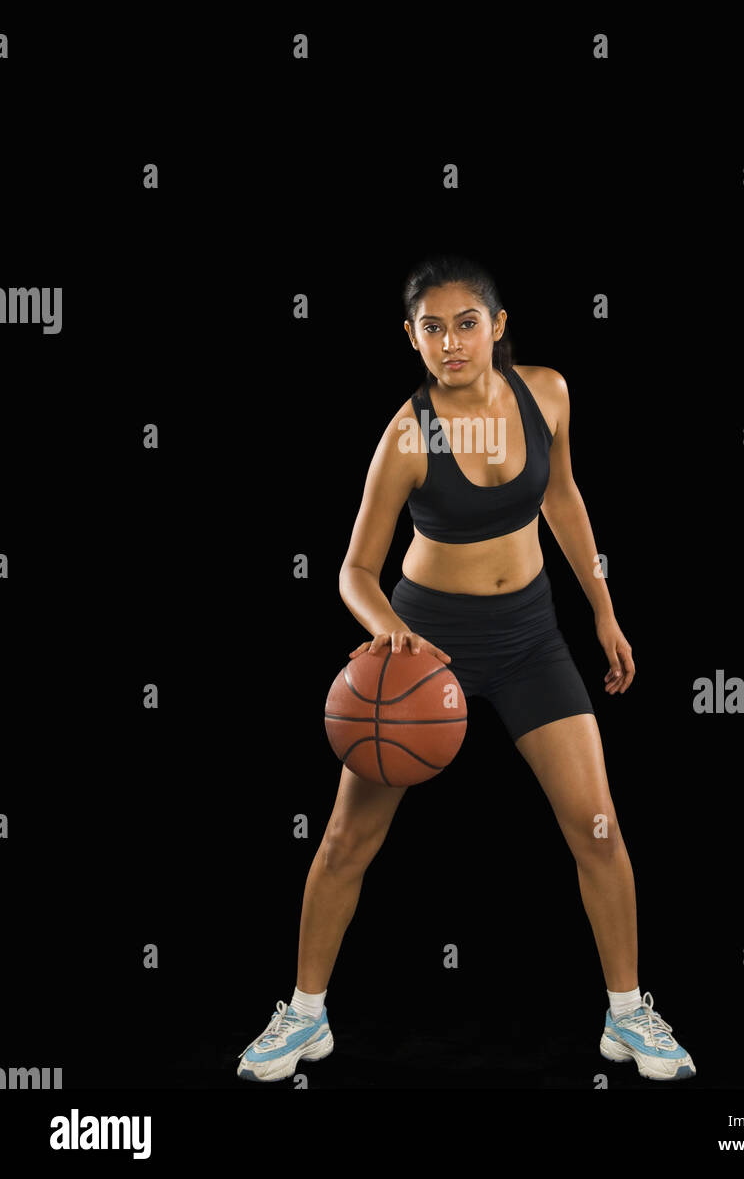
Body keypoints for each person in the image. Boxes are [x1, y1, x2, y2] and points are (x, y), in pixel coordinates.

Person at [237, 255, 695, 1083]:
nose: (449, 342)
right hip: (425, 639)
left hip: (528, 635)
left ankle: (628, 1014)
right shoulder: (408, 436)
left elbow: (560, 495)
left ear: (498, 324)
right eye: (430, 327)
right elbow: (352, 571)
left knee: (597, 825)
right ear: (409, 337)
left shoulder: (546, 393)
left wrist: (601, 607)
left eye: (465, 323)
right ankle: (302, 1017)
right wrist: (390, 633)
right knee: (347, 838)